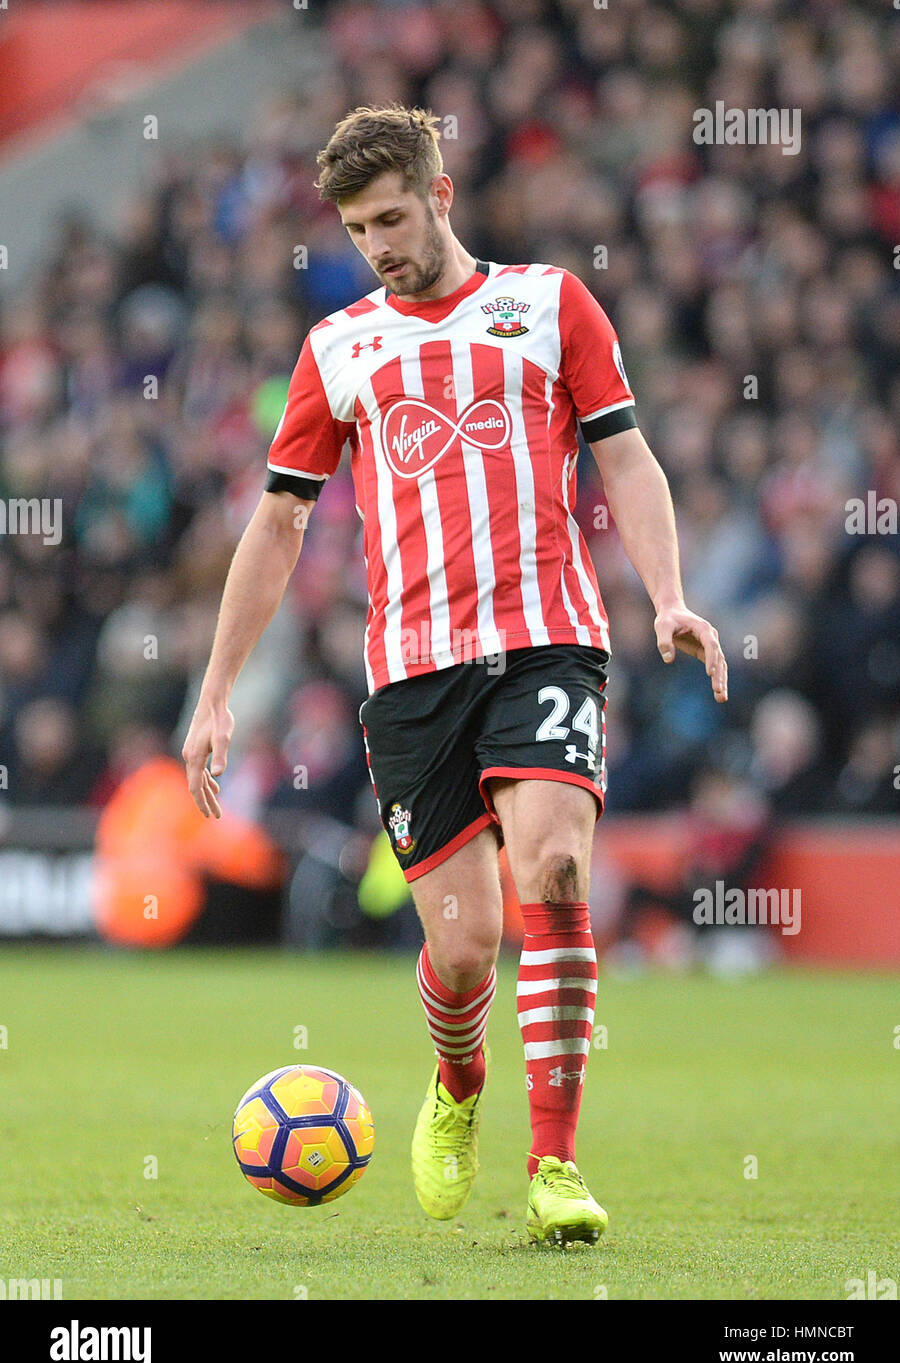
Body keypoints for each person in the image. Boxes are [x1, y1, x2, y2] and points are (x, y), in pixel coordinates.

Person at [182, 105, 728, 1246]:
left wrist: (668, 590)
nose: (375, 243)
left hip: (548, 641)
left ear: (440, 193)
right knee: (466, 941)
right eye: (353, 227)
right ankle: (458, 1081)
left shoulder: (549, 306)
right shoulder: (339, 348)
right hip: (411, 678)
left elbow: (624, 452)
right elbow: (279, 522)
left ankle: (556, 1165)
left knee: (558, 871)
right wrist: (218, 688)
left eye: (390, 217)